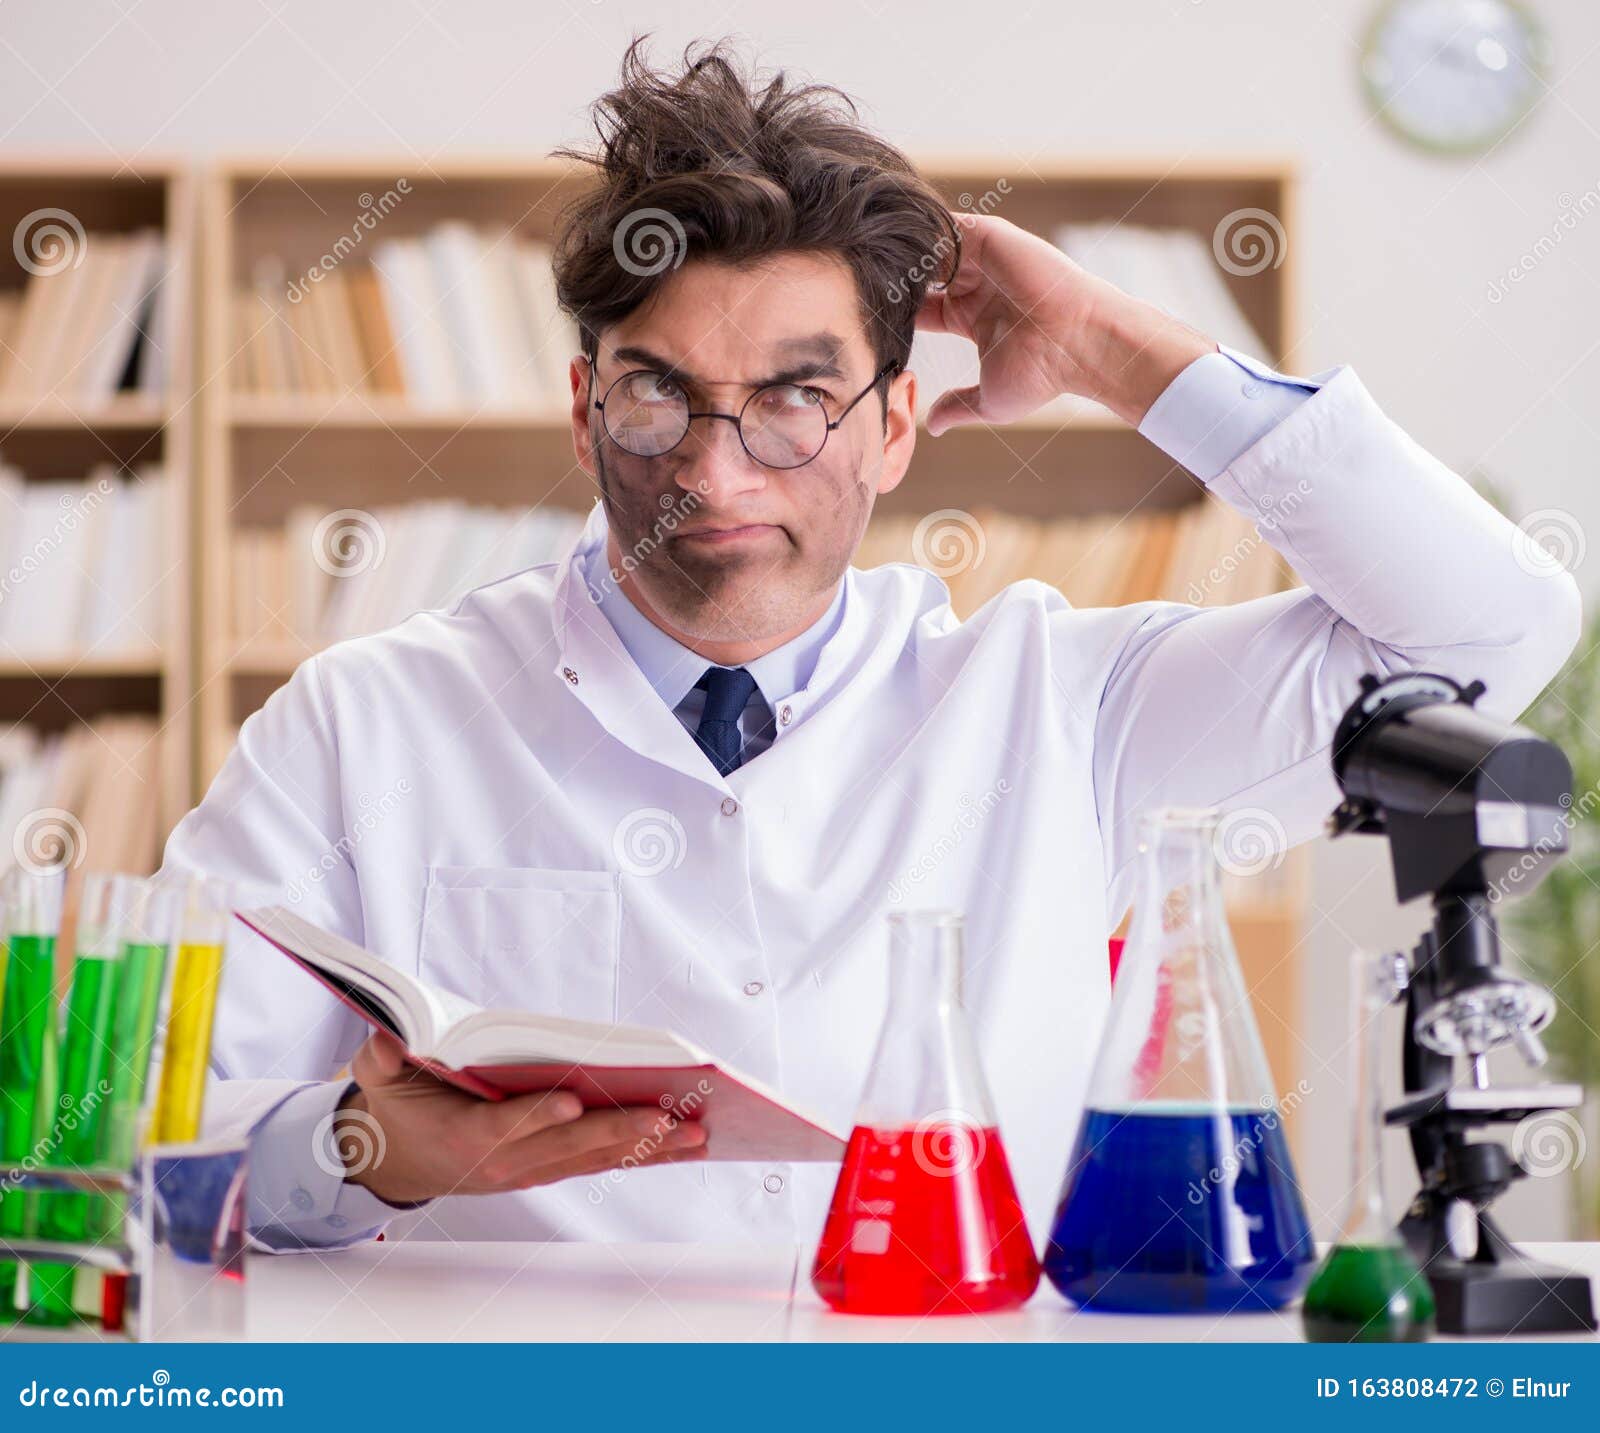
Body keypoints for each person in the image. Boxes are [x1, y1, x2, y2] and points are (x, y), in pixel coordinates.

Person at [163, 38, 1580, 1251]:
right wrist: (361, 1153)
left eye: (796, 399)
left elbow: (1487, 626)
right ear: (585, 407)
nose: (716, 478)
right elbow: (142, 1163)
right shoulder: (359, 724)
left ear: (898, 425)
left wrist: (1104, 345)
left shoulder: (1068, 705)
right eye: (659, 399)